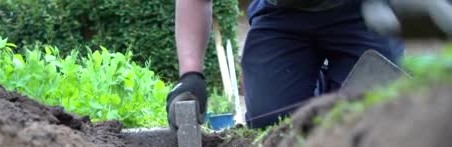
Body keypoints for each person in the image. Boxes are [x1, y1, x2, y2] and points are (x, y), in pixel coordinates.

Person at [166, 0, 405, 129]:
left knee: (376, 112)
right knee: (272, 122)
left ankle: (336, 83)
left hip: (362, 11)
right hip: (281, 16)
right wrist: (191, 74)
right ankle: (316, 85)